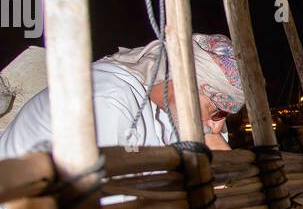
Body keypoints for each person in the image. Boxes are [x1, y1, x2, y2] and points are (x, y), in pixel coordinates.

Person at [0, 34, 244, 158]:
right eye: (218, 111)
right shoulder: (108, 99)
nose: (218, 125)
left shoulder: (164, 112)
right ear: (185, 84)